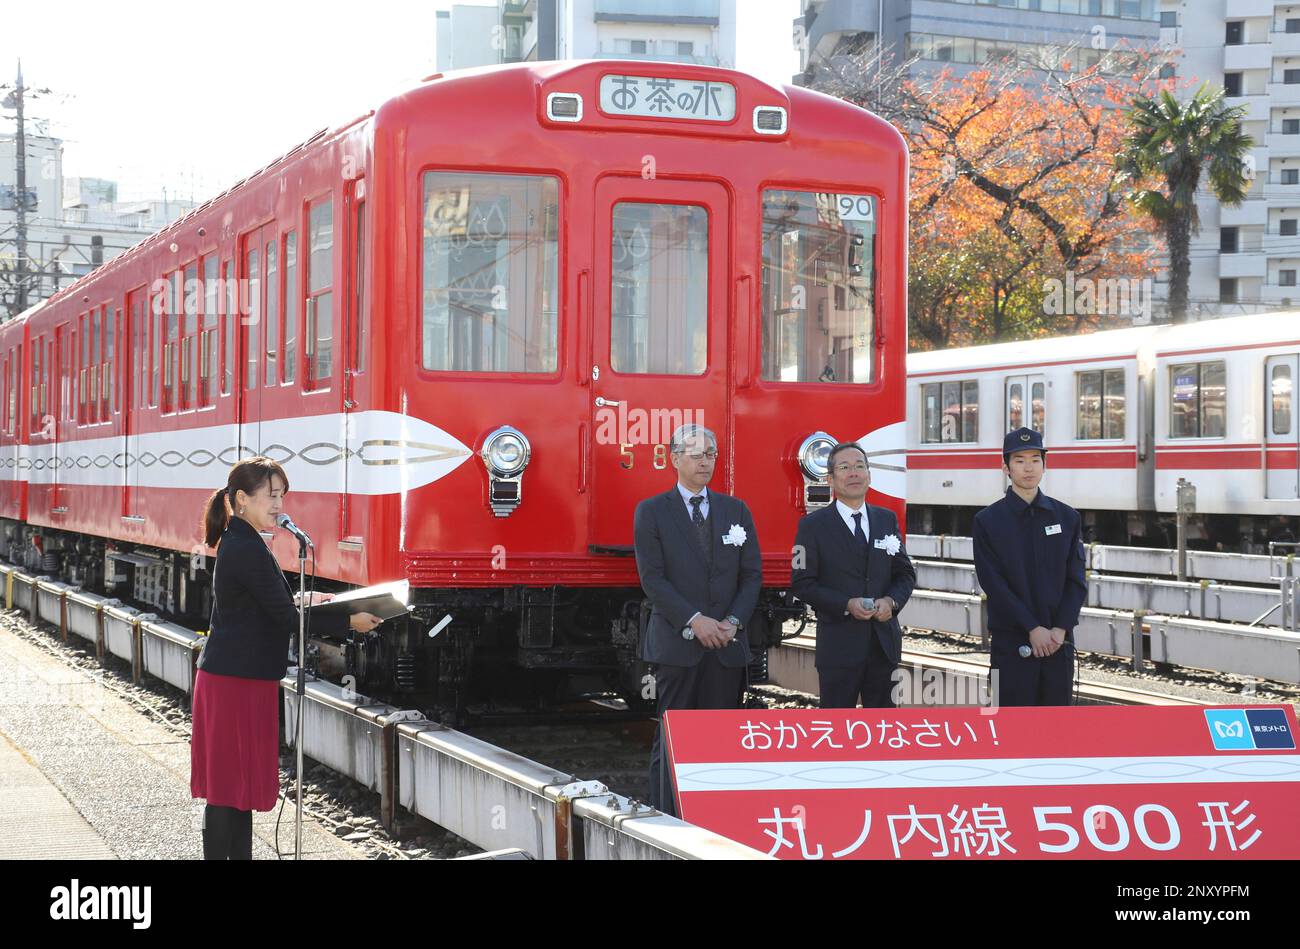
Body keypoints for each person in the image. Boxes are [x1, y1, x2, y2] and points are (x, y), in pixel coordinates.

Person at [190, 457, 383, 859]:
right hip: (234, 681)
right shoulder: (244, 546)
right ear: (242, 499)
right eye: (270, 496)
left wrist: (308, 599)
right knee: (228, 790)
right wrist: (350, 621)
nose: (279, 505)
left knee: (236, 788)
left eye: (281, 496)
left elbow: (271, 605)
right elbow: (285, 617)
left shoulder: (244, 541)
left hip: (243, 678)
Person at [633, 424, 761, 816]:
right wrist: (694, 620)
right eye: (695, 454)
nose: (705, 461)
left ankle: (715, 816)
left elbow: (751, 574)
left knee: (720, 738)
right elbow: (652, 578)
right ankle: (665, 819)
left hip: (726, 644)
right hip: (678, 645)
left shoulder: (736, 510)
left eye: (711, 454)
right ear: (674, 459)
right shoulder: (652, 511)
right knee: (673, 739)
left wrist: (734, 622)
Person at [792, 442, 915, 708]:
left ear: (869, 475)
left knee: (885, 730)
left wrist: (891, 602)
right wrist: (846, 605)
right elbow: (802, 584)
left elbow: (905, 573)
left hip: (884, 646)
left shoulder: (887, 520)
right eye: (845, 468)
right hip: (838, 648)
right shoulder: (811, 526)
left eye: (860, 467)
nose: (854, 473)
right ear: (830, 478)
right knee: (836, 728)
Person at [972, 428, 1087, 707]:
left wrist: (1060, 629)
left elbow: (1076, 580)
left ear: (1044, 465)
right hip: (1012, 644)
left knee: (1057, 732)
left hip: (1058, 644)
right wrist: (1032, 628)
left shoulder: (1067, 517)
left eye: (1036, 460)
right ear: (1006, 468)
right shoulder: (988, 521)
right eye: (1020, 460)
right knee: (1012, 729)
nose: (1029, 468)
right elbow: (994, 584)